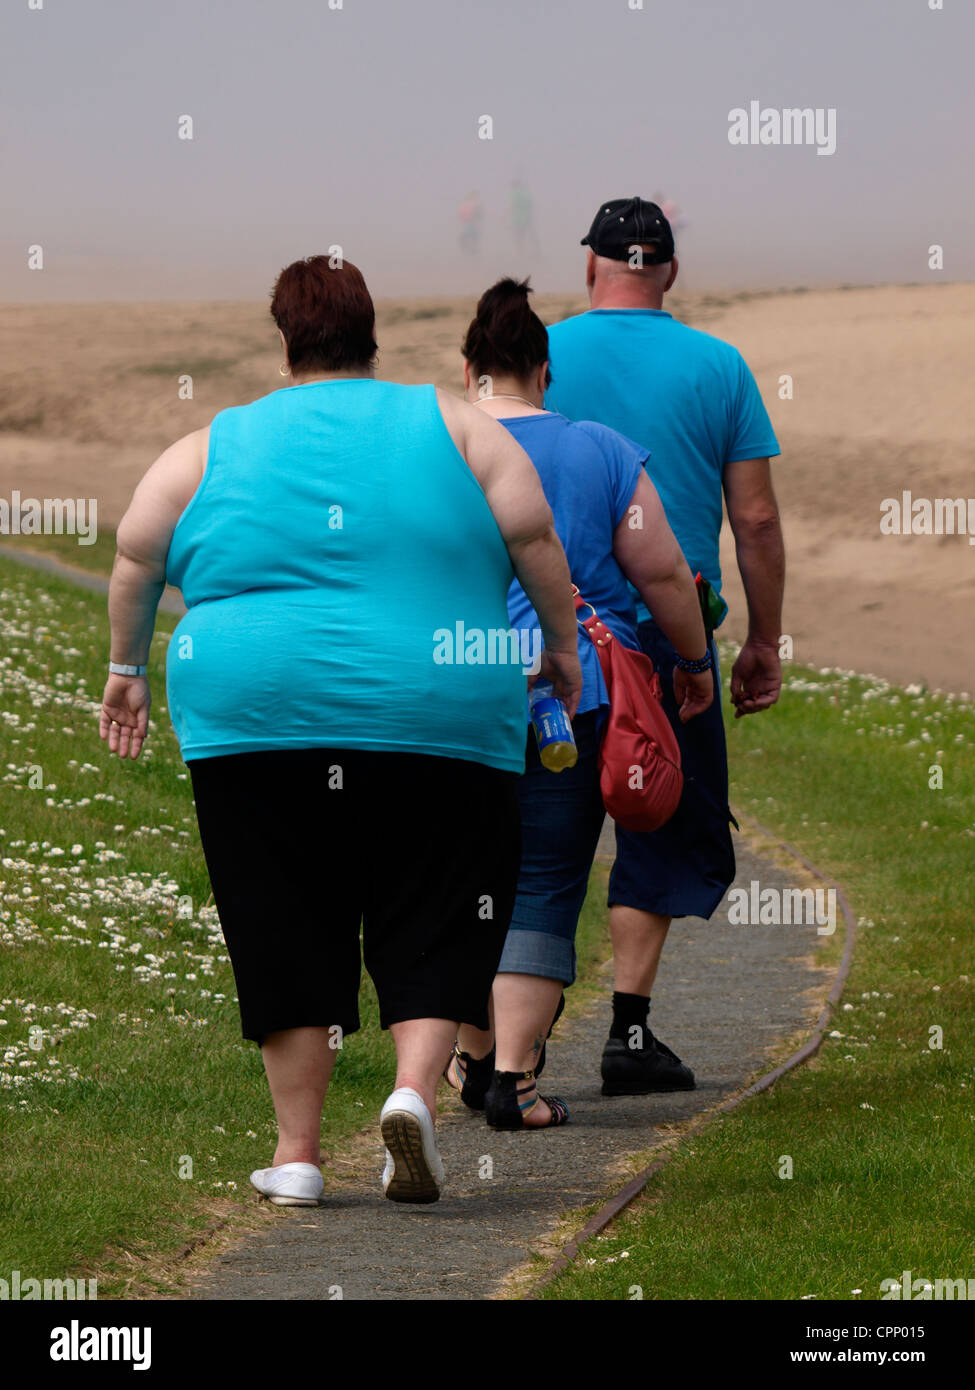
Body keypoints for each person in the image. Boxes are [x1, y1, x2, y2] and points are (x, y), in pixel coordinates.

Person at [98, 255, 581, 1205]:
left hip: (255, 713)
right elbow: (533, 539)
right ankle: (411, 1095)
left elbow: (135, 554)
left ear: (285, 341)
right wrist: (561, 651)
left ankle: (298, 1154)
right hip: (438, 702)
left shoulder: (213, 442)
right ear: (371, 335)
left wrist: (124, 672)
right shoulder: (454, 424)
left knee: (284, 916)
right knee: (440, 902)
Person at [443, 278, 713, 1129]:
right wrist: (694, 662)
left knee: (455, 877)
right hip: (570, 692)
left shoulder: (434, 447)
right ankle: (513, 1083)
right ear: (544, 370)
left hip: (449, 686)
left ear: (468, 367)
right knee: (544, 880)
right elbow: (663, 571)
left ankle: (471, 1059)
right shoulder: (598, 449)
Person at [544, 197, 785, 1096]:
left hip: (549, 628)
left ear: (589, 268)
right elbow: (754, 519)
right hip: (668, 632)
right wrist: (761, 640)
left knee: (540, 827)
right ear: (670, 272)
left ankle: (496, 1049)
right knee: (652, 811)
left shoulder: (542, 356)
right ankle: (628, 1033)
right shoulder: (718, 365)